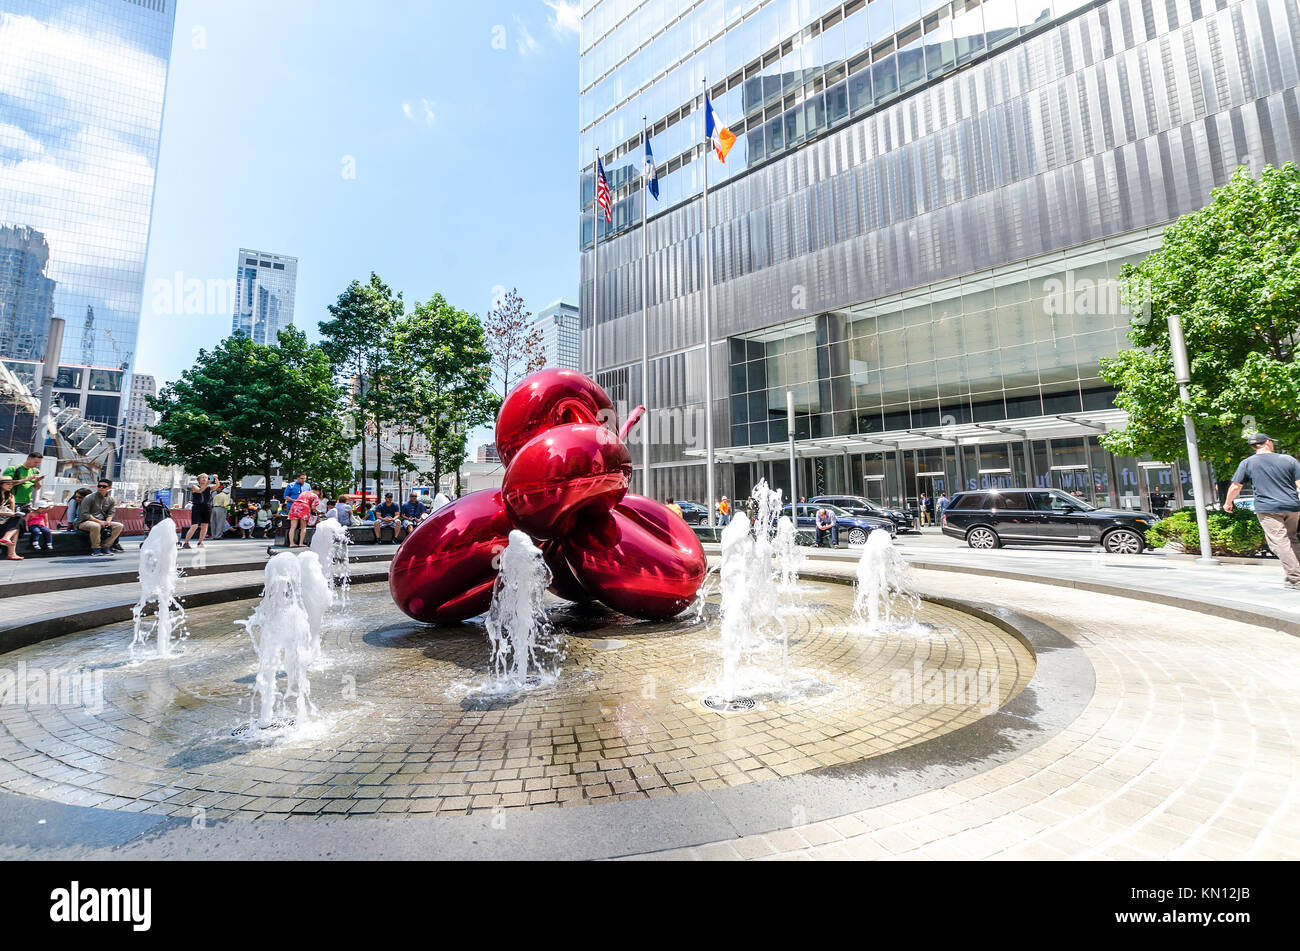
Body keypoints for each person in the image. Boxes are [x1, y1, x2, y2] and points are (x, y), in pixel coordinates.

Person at [1224, 433, 1300, 589]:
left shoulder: (1247, 463)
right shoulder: (1288, 459)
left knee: (1279, 542)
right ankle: (1294, 574)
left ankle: (1296, 578)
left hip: (1268, 508)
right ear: (1268, 443)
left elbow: (1236, 486)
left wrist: (1228, 502)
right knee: (1291, 539)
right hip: (1292, 507)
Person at [79, 479, 124, 556]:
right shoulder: (89, 498)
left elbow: (111, 513)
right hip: (85, 522)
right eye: (99, 486)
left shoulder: (111, 500)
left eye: (104, 486)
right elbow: (85, 514)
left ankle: (106, 546)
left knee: (119, 526)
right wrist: (99, 522)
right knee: (95, 526)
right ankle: (96, 549)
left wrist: (108, 521)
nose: (101, 488)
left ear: (109, 487)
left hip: (102, 521)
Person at [181, 474, 215, 549]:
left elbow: (217, 485)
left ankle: (200, 542)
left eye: (206, 477)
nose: (204, 479)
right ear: (199, 480)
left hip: (206, 507)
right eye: (202, 477)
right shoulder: (194, 486)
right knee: (194, 525)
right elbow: (200, 491)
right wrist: (207, 483)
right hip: (197, 507)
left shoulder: (209, 488)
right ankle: (186, 543)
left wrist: (215, 478)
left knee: (205, 525)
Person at [0, 479, 24, 560]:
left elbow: (12, 511)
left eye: (11, 484)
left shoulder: (10, 496)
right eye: (7, 484)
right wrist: (5, 513)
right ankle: (11, 553)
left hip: (4, 521)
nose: (10, 486)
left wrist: (12, 512)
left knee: (18, 518)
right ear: (1, 485)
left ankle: (6, 538)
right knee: (16, 526)